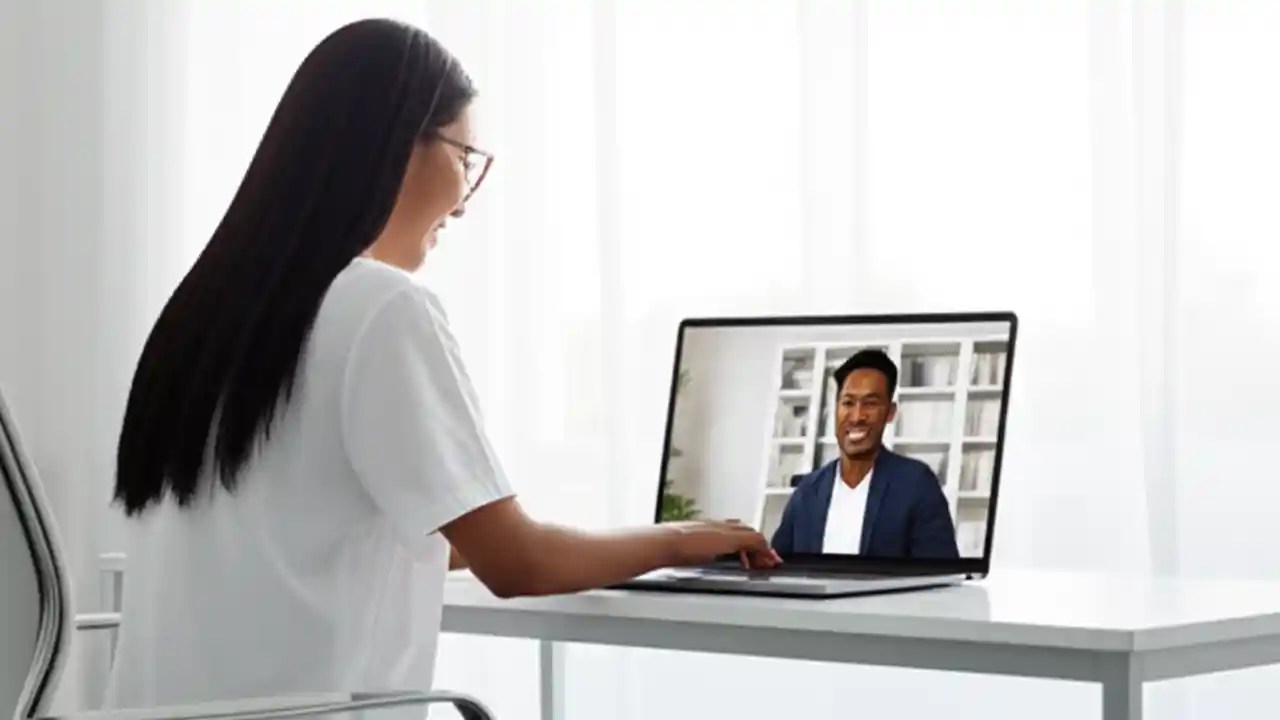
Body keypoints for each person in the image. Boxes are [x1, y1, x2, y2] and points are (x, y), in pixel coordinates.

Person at [104, 18, 777, 710]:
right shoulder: (381, 305)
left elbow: (309, 531)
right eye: (465, 156)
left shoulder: (202, 315)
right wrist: (680, 540)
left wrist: (516, 526)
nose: (464, 197)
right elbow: (516, 563)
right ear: (396, 143)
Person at [770, 349, 959, 559]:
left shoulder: (917, 484)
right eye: (848, 403)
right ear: (836, 409)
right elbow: (778, 565)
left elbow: (940, 574)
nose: (857, 416)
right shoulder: (808, 491)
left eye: (870, 403)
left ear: (890, 412)